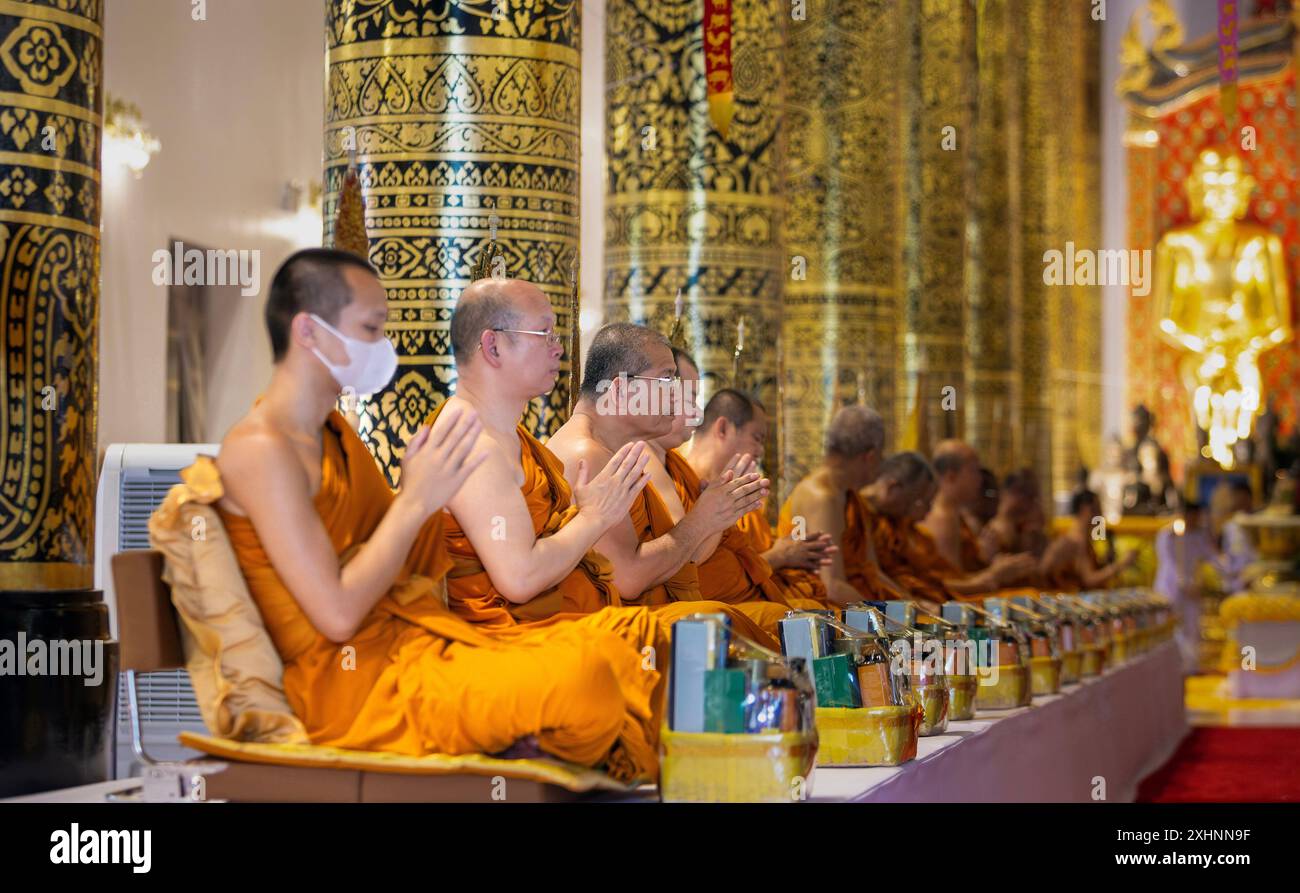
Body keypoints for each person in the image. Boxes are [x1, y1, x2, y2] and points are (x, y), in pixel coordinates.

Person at [208, 250, 665, 781]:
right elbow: (335, 615)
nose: (383, 347)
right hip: (348, 685)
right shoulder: (261, 448)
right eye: (371, 328)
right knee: (587, 678)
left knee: (608, 658)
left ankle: (521, 737)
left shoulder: (333, 435)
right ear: (308, 332)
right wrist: (416, 501)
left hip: (411, 645)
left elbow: (407, 568)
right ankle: (515, 742)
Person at [781, 405, 907, 605]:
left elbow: (872, 569)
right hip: (821, 610)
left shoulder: (851, 496)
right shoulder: (821, 497)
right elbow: (831, 586)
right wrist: (883, 621)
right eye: (881, 456)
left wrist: (911, 605)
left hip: (857, 601)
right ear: (870, 457)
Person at [1040, 489, 1138, 591]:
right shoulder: (1075, 541)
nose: (1101, 515)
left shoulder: (1081, 540)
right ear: (1086, 509)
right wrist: (1122, 563)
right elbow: (1089, 580)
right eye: (1098, 509)